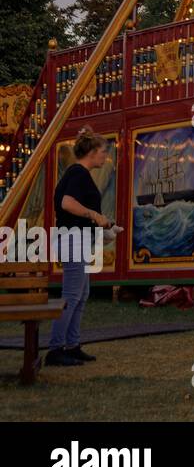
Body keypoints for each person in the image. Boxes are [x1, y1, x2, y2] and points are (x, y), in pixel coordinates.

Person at [45, 128, 112, 368]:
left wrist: (104, 228)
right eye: (103, 152)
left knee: (81, 295)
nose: (105, 157)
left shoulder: (79, 174)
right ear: (92, 152)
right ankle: (55, 349)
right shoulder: (77, 173)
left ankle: (71, 345)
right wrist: (94, 215)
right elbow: (67, 203)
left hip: (78, 239)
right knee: (72, 295)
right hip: (73, 240)